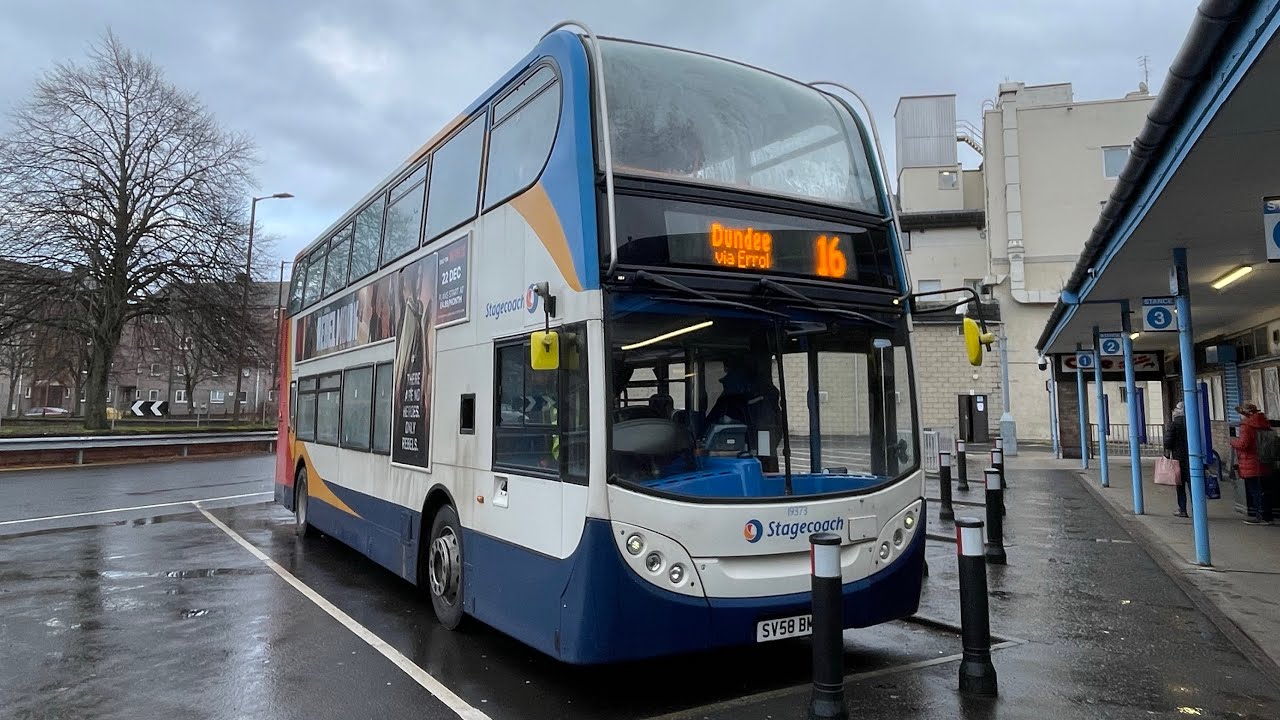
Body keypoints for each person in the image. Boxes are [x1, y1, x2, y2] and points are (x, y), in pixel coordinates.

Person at [1231, 402, 1273, 525]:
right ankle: (1268, 515)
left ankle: (1260, 516)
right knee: (1265, 490)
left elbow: (1244, 444)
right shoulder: (1264, 423)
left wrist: (1233, 442)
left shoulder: (1247, 426)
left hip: (1250, 462)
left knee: (1255, 490)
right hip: (1265, 460)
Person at [1163, 401, 1191, 517]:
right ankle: (1198, 509)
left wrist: (1167, 451)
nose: (1173, 411)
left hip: (1178, 458)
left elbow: (1168, 442)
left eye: (1175, 409)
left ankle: (1182, 509)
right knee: (1193, 484)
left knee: (1180, 485)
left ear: (1179, 411)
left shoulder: (1174, 424)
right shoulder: (1192, 422)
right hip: (1191, 458)